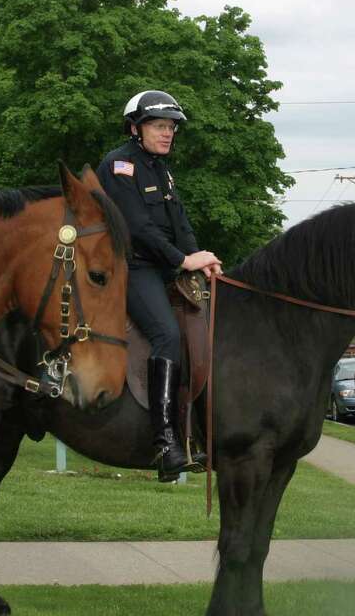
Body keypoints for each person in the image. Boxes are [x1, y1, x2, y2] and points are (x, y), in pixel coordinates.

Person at [97, 90, 222, 481]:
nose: (167, 133)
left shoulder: (160, 169)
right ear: (135, 129)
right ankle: (164, 442)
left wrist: (201, 258)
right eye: (158, 126)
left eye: (170, 127)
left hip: (165, 267)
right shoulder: (120, 165)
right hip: (132, 268)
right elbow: (138, 227)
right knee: (166, 334)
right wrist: (183, 261)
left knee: (208, 328)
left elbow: (178, 221)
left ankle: (199, 435)